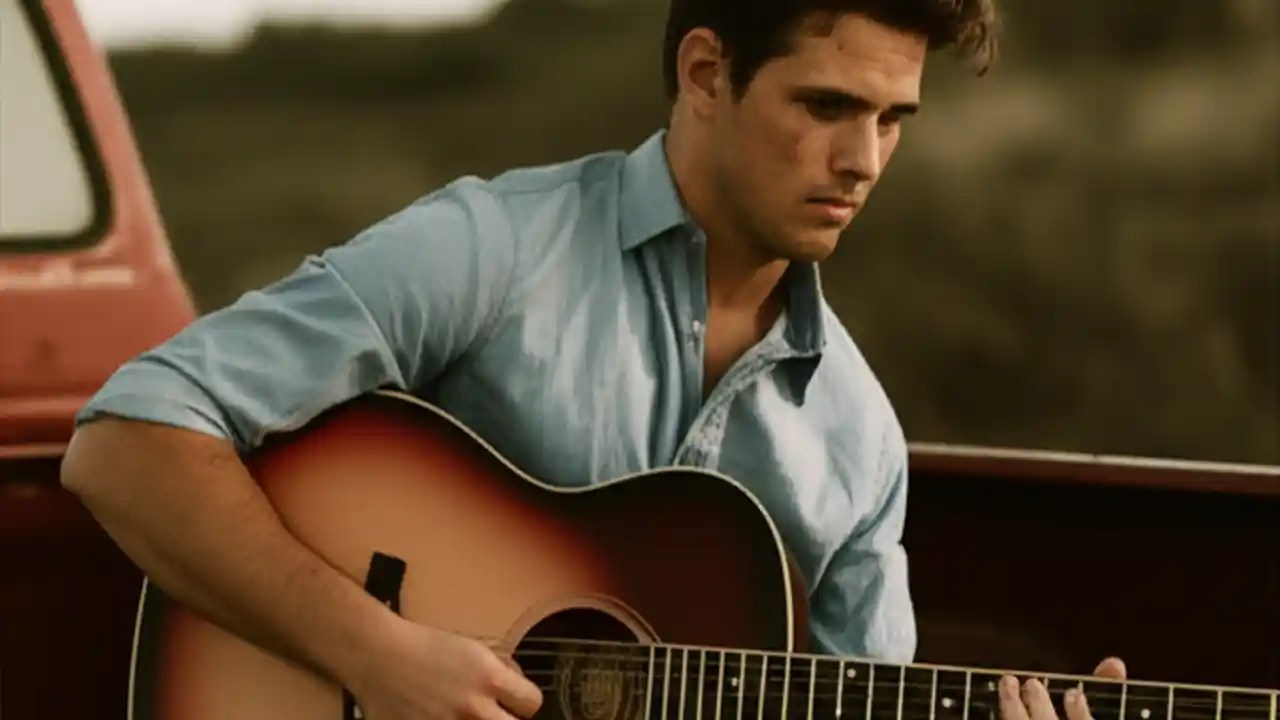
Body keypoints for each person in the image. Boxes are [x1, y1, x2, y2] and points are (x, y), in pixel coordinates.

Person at [61, 0, 1126, 718]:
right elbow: (128, 441)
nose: (861, 161)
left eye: (894, 120)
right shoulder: (492, 250)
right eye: (825, 106)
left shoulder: (855, 437)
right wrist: (374, 656)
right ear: (705, 70)